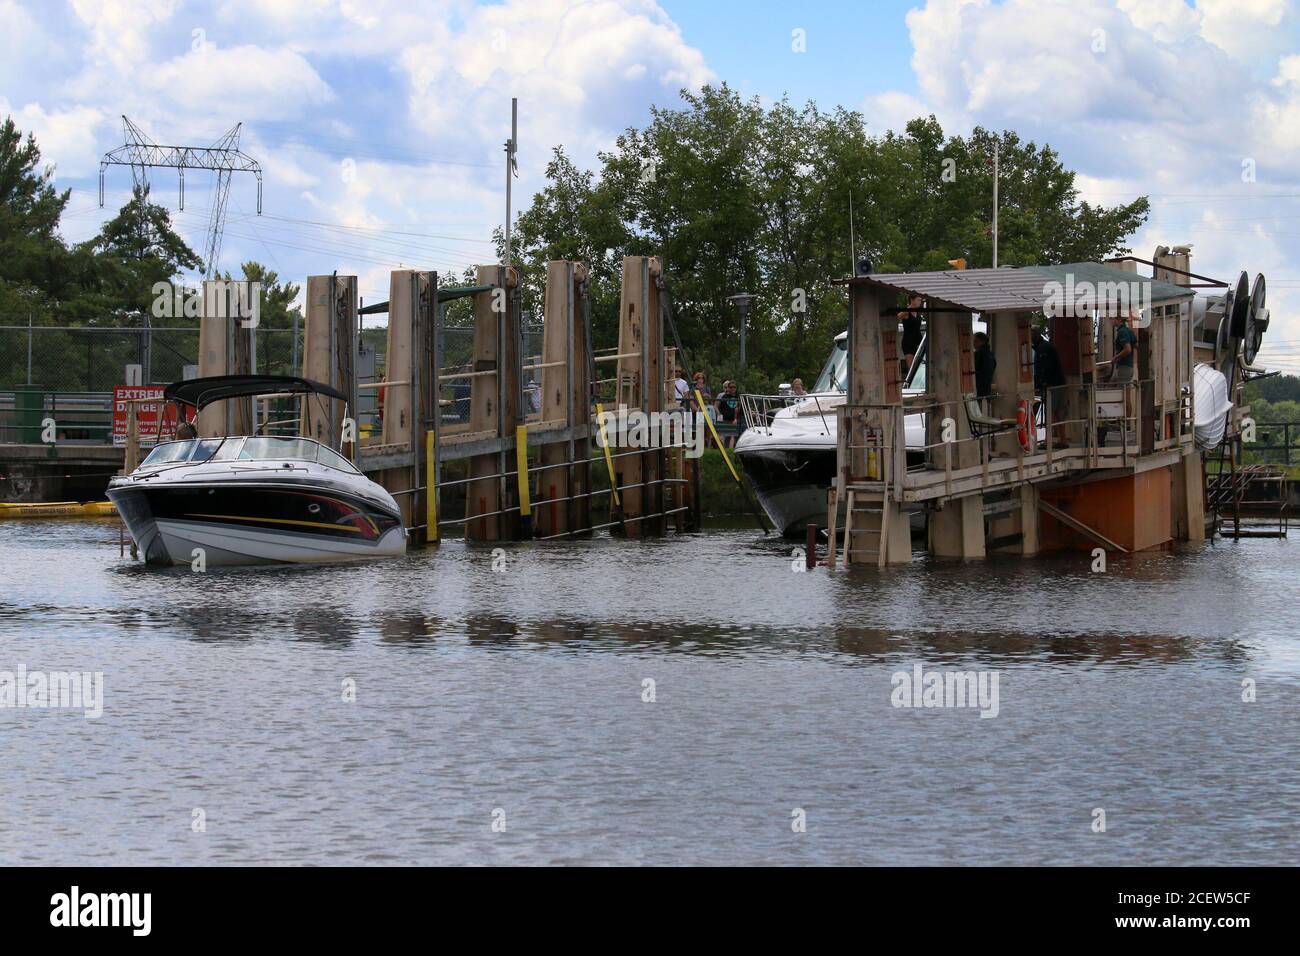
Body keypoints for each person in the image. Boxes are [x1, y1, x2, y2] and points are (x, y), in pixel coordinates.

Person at [1032, 329, 1068, 446]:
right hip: (1058, 383)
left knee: (1051, 412)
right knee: (1058, 412)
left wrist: (1039, 383)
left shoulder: (1043, 349)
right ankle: (1062, 439)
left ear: (1035, 335)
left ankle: (1048, 440)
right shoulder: (1045, 347)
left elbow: (1044, 369)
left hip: (1053, 385)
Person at [900, 293, 924, 375]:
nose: (920, 302)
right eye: (918, 300)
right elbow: (898, 316)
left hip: (918, 342)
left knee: (920, 366)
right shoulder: (907, 312)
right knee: (912, 369)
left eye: (920, 300)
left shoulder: (917, 312)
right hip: (908, 343)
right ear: (912, 300)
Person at [715, 380, 742, 449]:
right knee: (727, 438)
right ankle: (726, 455)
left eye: (734, 387)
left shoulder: (739, 397)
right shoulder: (724, 397)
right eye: (731, 387)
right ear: (728, 388)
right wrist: (720, 416)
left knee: (737, 439)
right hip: (727, 420)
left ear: (736, 388)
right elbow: (718, 407)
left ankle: (736, 454)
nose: (732, 389)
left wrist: (736, 419)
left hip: (737, 421)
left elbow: (739, 408)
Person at [973, 331, 995, 399]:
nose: (974, 343)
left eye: (976, 341)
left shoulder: (979, 354)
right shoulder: (991, 355)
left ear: (982, 342)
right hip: (987, 388)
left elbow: (975, 369)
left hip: (979, 388)